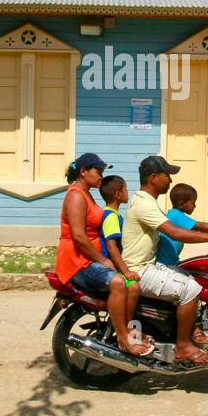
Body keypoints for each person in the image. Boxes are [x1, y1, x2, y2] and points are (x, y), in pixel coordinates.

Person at [120, 155, 208, 365]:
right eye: (167, 175)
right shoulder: (144, 204)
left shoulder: (146, 201)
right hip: (140, 270)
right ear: (154, 178)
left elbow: (188, 227)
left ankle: (186, 328)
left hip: (146, 265)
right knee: (191, 289)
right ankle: (183, 346)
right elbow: (175, 232)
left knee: (194, 278)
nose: (170, 181)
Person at [55, 153, 152, 357]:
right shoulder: (75, 195)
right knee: (117, 282)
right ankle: (123, 338)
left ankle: (130, 329)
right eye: (98, 171)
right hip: (77, 261)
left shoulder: (86, 194)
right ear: (83, 171)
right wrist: (104, 260)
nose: (101, 176)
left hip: (89, 259)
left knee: (132, 285)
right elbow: (79, 236)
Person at [98, 174, 143, 344]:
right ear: (117, 194)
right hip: (112, 266)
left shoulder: (109, 214)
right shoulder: (111, 216)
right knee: (134, 287)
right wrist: (125, 271)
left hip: (114, 264)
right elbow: (111, 246)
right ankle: (127, 328)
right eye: (125, 189)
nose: (127, 192)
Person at [156, 183, 208, 266]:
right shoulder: (177, 216)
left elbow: (197, 231)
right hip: (167, 265)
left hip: (169, 262)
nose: (195, 206)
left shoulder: (174, 214)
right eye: (193, 203)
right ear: (181, 204)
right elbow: (200, 226)